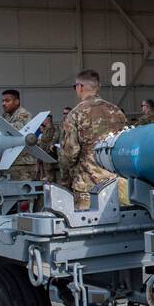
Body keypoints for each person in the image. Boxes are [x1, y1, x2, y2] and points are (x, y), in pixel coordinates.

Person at [59, 70, 127, 210]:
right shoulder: (117, 111)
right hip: (116, 183)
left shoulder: (75, 114)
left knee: (86, 227)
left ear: (80, 87)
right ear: (98, 87)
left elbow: (69, 154)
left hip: (88, 187)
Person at [0, 88, 41, 181]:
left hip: (23, 164)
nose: (4, 103)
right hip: (11, 161)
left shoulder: (24, 115)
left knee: (24, 193)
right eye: (2, 101)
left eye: (7, 100)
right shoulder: (5, 116)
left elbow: (14, 131)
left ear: (16, 101)